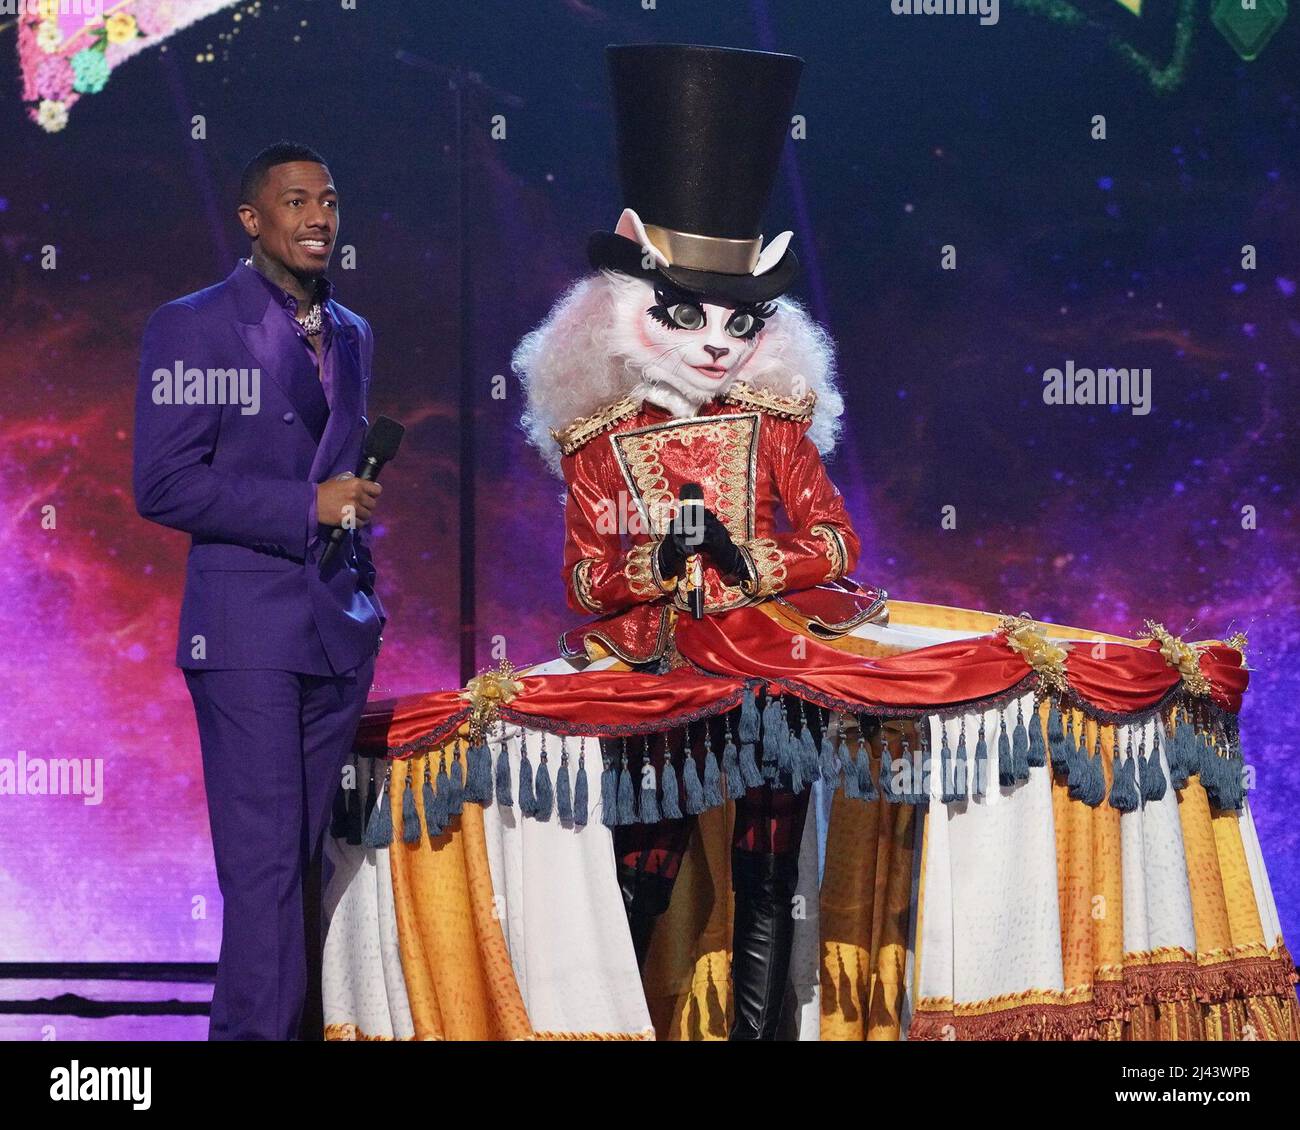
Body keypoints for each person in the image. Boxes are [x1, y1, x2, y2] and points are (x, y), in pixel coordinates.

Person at [133, 141, 385, 1040]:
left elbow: (333, 468)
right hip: (244, 634)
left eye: (328, 199)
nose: (318, 216)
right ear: (253, 220)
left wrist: (350, 521)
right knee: (264, 865)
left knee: (310, 863)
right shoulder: (193, 326)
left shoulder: (353, 333)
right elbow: (161, 485)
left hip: (334, 631)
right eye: (295, 201)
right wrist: (305, 506)